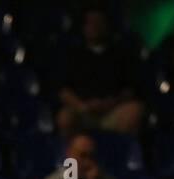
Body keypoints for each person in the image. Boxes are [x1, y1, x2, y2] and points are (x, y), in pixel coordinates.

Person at [56, 5, 145, 140]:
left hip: (111, 111)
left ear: (106, 26)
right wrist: (82, 106)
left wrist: (109, 104)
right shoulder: (74, 55)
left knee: (135, 111)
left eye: (99, 23)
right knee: (65, 118)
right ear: (84, 27)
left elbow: (130, 90)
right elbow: (64, 91)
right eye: (91, 23)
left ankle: (121, 157)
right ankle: (74, 158)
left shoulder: (120, 54)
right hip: (83, 112)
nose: (95, 27)